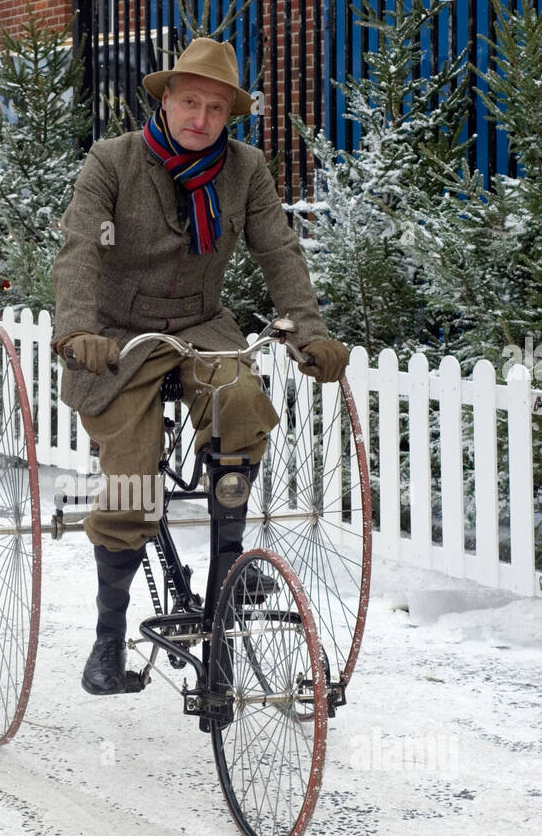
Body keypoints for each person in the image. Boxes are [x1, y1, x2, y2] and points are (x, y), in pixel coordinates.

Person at [52, 37, 349, 695]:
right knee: (132, 481)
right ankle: (107, 641)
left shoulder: (245, 170)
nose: (201, 118)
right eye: (190, 101)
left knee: (240, 401)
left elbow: (279, 252)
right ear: (166, 99)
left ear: (228, 117)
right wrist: (78, 329)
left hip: (200, 325)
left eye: (216, 108)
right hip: (118, 334)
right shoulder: (113, 161)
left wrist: (311, 334)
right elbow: (79, 252)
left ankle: (225, 569)